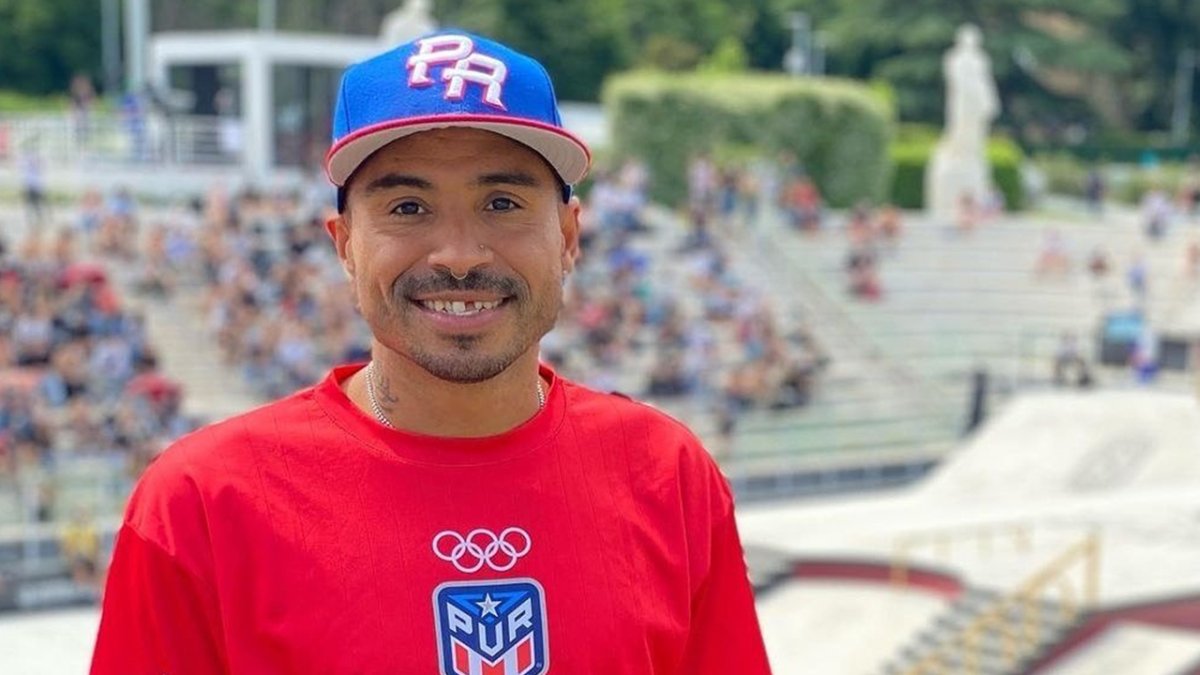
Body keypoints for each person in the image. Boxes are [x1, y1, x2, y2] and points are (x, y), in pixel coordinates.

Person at [90, 31, 772, 674]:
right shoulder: (201, 505)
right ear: (344, 243)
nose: (460, 255)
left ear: (568, 235)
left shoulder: (666, 475)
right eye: (408, 208)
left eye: (502, 202)